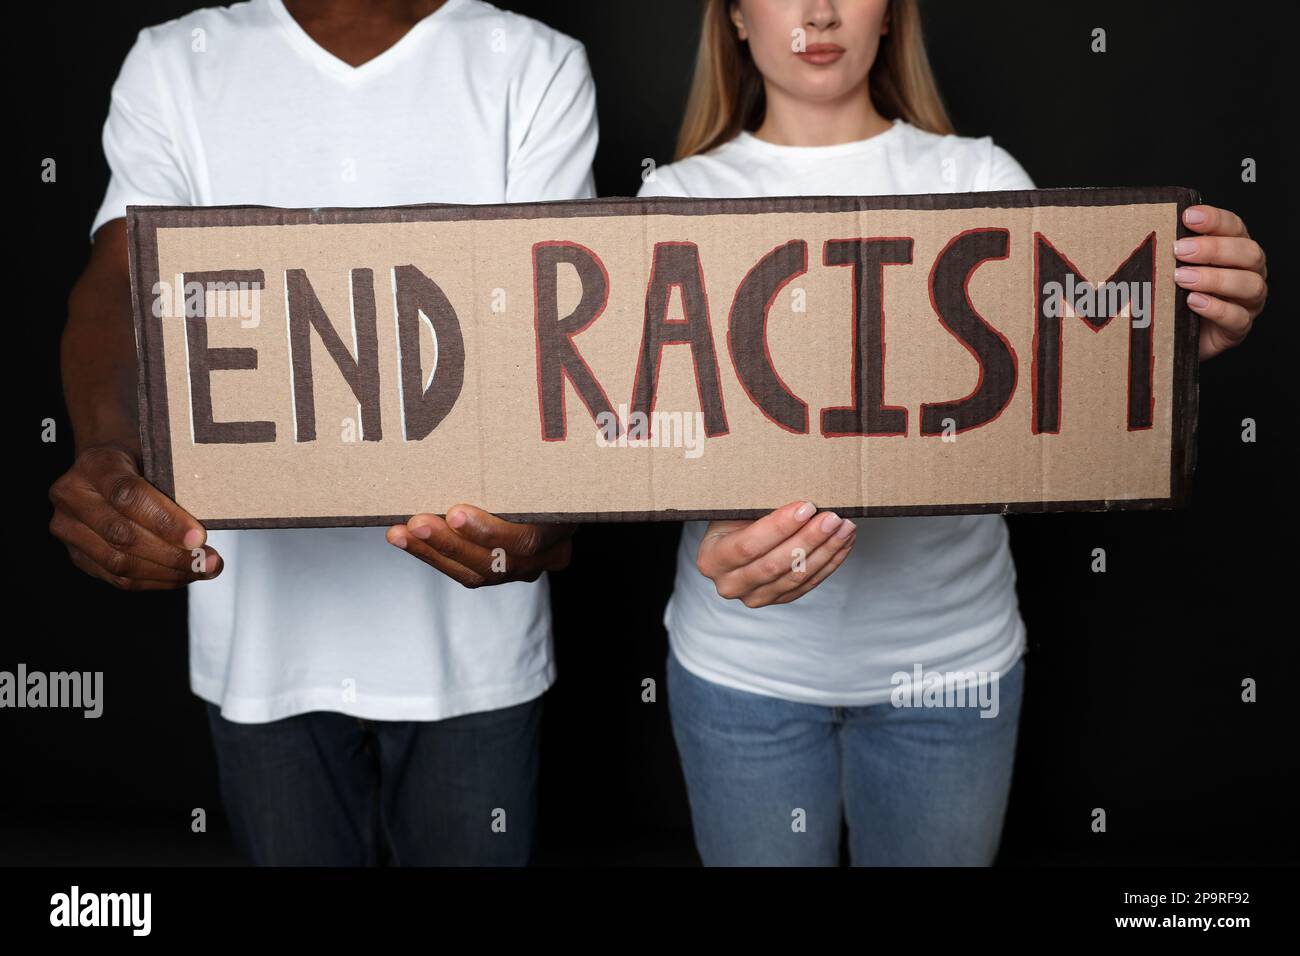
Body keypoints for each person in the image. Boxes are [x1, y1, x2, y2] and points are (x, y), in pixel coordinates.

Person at [637, 0, 1268, 866]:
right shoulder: (673, 196)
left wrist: (1163, 351)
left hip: (952, 673)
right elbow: (656, 438)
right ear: (737, 18)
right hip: (743, 674)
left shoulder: (979, 176)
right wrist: (709, 530)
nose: (818, 12)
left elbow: (1052, 392)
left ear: (893, 16)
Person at [49, 0, 595, 865]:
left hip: (472, 641)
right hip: (263, 641)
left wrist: (555, 506)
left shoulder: (530, 60)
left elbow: (554, 310)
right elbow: (122, 276)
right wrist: (109, 452)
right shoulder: (176, 60)